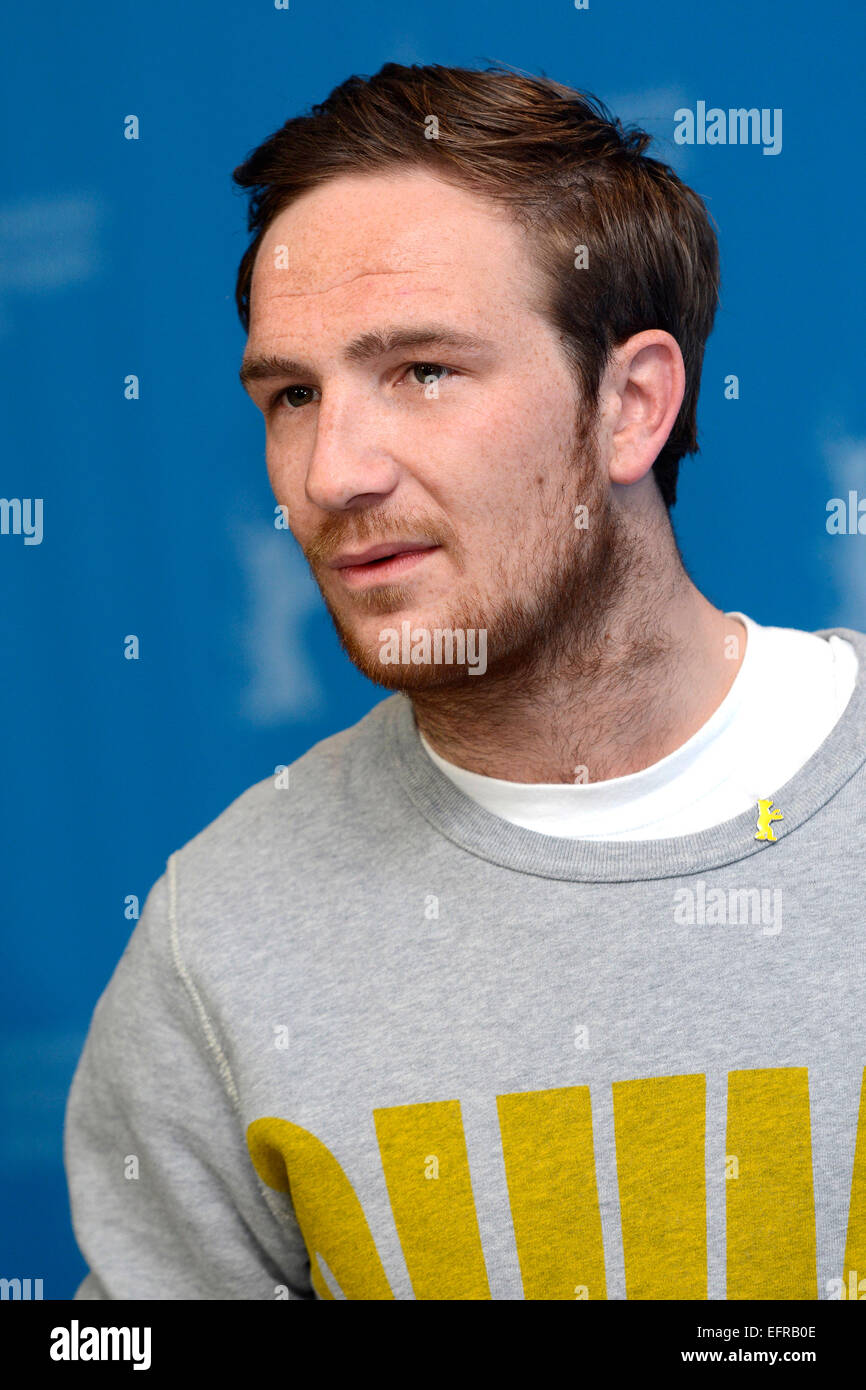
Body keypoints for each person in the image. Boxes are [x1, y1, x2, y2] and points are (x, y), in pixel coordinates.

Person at [65, 62, 866, 1301]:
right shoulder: (212, 946)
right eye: (291, 394)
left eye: (422, 372)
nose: (331, 473)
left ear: (630, 406)